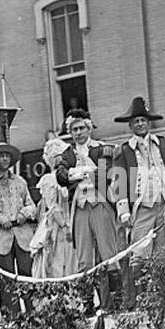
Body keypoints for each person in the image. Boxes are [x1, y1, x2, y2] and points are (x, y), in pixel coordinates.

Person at [110, 97, 165, 305]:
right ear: (130, 125)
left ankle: (164, 298)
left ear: (149, 123)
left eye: (143, 120)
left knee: (164, 253)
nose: (140, 124)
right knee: (138, 255)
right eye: (136, 121)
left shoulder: (164, 144)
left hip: (164, 205)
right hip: (141, 208)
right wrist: (124, 210)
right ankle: (141, 299)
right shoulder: (123, 150)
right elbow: (118, 182)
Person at [54, 109, 122, 305]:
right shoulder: (66, 154)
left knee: (108, 252)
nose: (78, 133)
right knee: (84, 257)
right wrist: (85, 171)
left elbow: (109, 173)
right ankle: (87, 303)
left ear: (89, 128)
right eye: (74, 129)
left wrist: (78, 172)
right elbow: (61, 177)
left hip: (100, 201)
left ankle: (115, 301)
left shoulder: (102, 149)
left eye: (82, 128)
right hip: (80, 206)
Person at [0, 142, 38, 320]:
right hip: (1, 239)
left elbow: (31, 205)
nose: (5, 158)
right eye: (1, 156)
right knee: (6, 280)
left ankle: (32, 314)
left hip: (22, 235)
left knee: (27, 275)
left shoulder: (20, 182)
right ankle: (13, 317)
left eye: (7, 155)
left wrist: (25, 213)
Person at [30, 136, 77, 280]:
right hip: (58, 226)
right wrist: (64, 226)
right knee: (57, 263)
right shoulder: (48, 179)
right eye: (61, 156)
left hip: (73, 219)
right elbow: (53, 206)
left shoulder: (70, 176)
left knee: (73, 263)